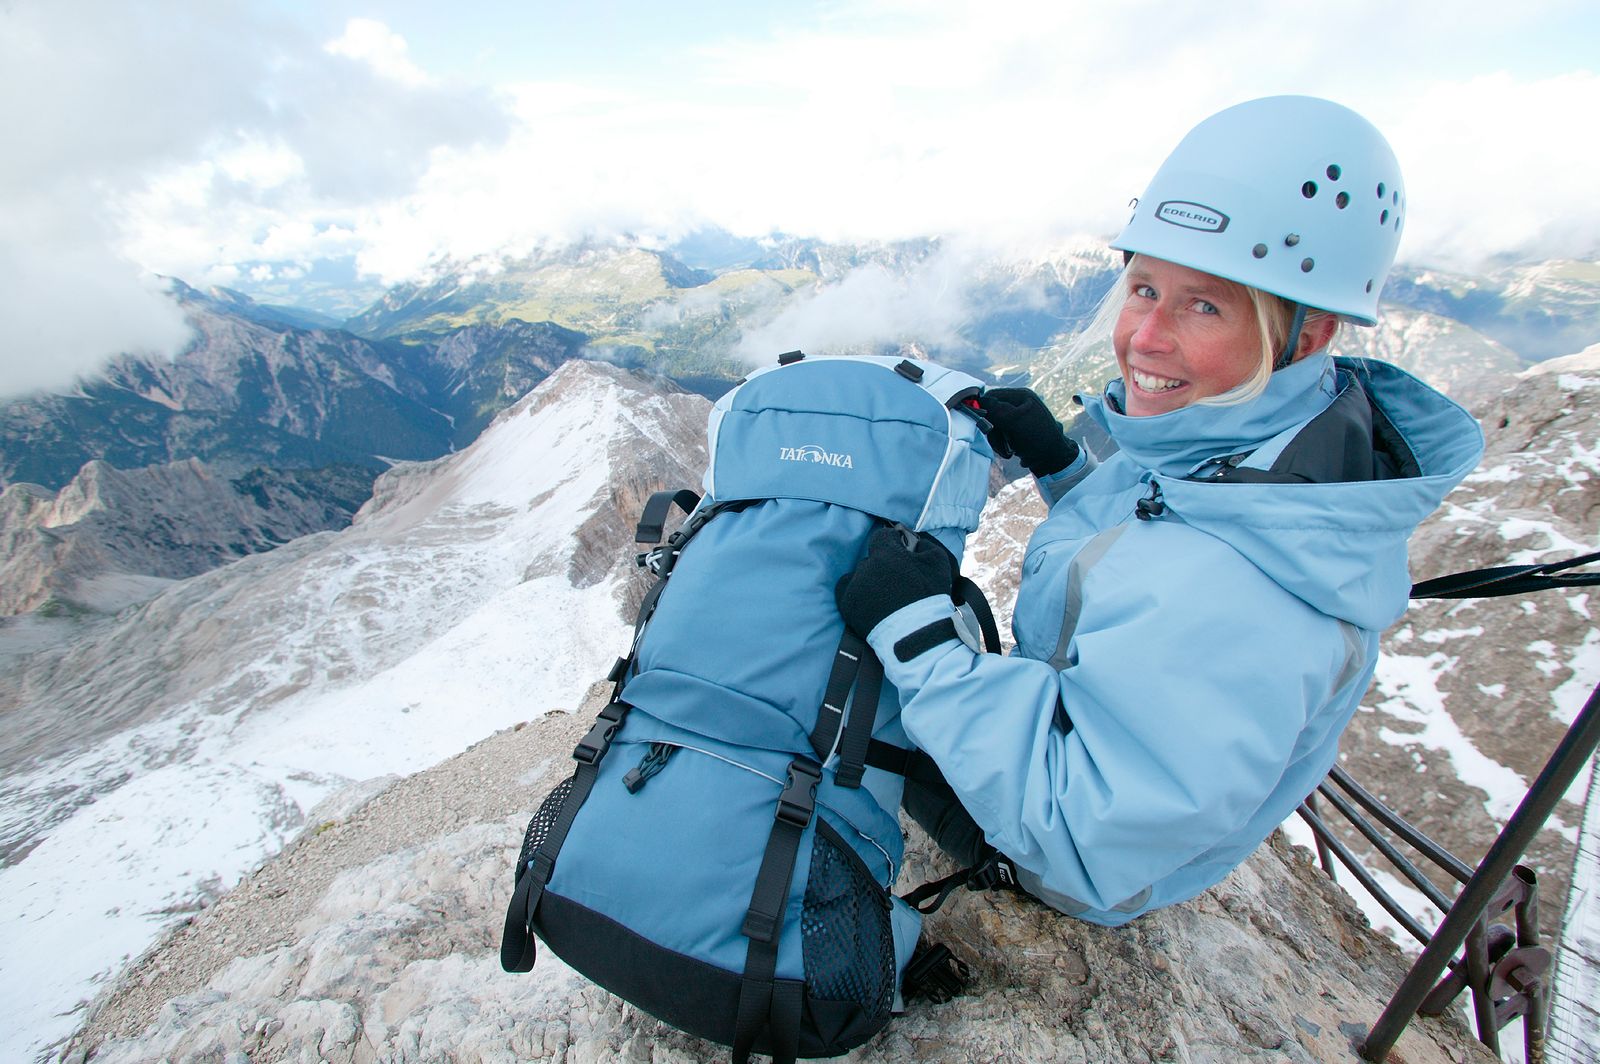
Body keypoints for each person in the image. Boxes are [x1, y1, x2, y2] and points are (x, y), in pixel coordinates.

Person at [835, 95, 1485, 925]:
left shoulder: (1256, 599)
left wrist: (920, 643)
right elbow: (1165, 533)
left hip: (1055, 850)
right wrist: (1064, 467)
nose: (1144, 336)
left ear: (1310, 334)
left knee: (813, 636)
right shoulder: (1258, 446)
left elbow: (1080, 832)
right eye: (1144, 288)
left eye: (1204, 305)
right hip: (1057, 737)